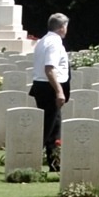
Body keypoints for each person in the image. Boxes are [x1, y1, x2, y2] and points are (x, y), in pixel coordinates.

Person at [30, 12, 71, 170]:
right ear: (61, 27)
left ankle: (55, 163)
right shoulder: (54, 43)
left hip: (42, 86)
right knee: (47, 128)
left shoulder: (43, 41)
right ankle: (29, 160)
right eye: (66, 26)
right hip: (49, 88)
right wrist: (59, 91)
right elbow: (49, 69)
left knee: (54, 128)